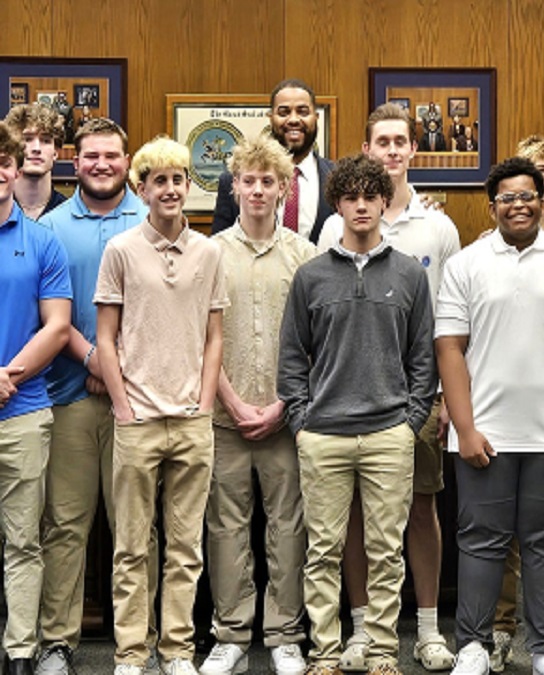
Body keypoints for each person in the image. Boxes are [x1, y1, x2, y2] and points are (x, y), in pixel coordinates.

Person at [437, 157, 544, 675]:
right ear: (492, 208)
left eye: (527, 195)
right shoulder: (466, 263)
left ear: (543, 199)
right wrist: (464, 428)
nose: (519, 205)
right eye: (507, 198)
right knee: (480, 543)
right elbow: (449, 349)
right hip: (483, 433)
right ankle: (473, 647)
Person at [316, 102, 461, 674]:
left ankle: (426, 630)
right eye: (383, 141)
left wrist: (445, 397)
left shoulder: (438, 226)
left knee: (421, 509)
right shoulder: (335, 224)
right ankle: (360, 631)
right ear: (368, 149)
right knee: (353, 515)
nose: (393, 150)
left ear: (412, 150)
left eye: (402, 141)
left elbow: (451, 319)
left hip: (415, 395)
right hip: (347, 394)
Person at [277, 154, 436, 675]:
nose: (362, 206)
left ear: (384, 202)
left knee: (386, 552)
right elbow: (292, 356)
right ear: (338, 204)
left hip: (390, 433)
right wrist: (300, 422)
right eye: (352, 197)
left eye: (372, 196)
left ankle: (383, 652)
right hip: (323, 434)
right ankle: (325, 654)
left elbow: (423, 358)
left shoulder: (410, 274)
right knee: (323, 550)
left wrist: (410, 421)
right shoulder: (311, 277)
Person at [95, 136, 228, 675]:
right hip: (138, 422)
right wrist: (124, 409)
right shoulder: (121, 250)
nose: (170, 189)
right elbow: (106, 338)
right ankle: (131, 652)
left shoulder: (210, 252)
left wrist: (202, 402)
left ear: (188, 187)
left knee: (185, 546)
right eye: (159, 181)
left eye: (178, 180)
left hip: (193, 421)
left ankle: (176, 650)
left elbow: (215, 336)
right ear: (142, 189)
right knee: (131, 546)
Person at [36, 118, 155, 675]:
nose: (102, 165)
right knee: (66, 524)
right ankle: (57, 641)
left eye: (112, 155)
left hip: (142, 399)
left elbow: (166, 313)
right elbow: (49, 315)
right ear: (73, 162)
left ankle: (144, 641)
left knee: (139, 526)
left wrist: (118, 368)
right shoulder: (52, 228)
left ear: (128, 162)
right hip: (69, 393)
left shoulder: (155, 219)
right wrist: (94, 362)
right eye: (91, 156)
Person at [197, 135, 314, 675]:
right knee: (225, 527)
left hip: (286, 420)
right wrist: (232, 400)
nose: (258, 190)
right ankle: (232, 634)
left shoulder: (305, 256)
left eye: (269, 181)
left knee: (289, 526)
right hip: (224, 418)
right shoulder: (210, 253)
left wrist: (282, 404)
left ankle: (286, 632)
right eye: (248, 181)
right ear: (234, 186)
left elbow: (318, 342)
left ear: (284, 188)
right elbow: (198, 337)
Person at [0, 122, 72, 675]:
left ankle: (21, 651)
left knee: (24, 541)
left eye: (5, 161)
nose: (1, 171)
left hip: (22, 410)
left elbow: (57, 325)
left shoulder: (43, 238)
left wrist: (8, 376)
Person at [212, 79, 336, 244]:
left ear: (316, 117)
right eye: (284, 112)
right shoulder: (233, 179)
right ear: (271, 118)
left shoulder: (337, 178)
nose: (293, 119)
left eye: (303, 111)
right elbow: (220, 248)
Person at [4, 104, 68, 220]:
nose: (36, 148)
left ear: (56, 152)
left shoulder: (68, 214)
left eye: (46, 140)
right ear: (12, 148)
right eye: (27, 139)